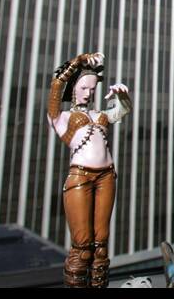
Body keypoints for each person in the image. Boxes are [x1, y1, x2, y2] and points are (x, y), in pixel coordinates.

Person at [46, 52, 131, 287]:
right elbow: (55, 86)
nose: (88, 93)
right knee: (82, 245)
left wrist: (123, 97)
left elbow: (121, 111)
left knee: (101, 245)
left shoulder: (99, 114)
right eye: (84, 88)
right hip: (80, 177)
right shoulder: (62, 117)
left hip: (107, 176)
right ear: (74, 88)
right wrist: (78, 61)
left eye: (92, 89)